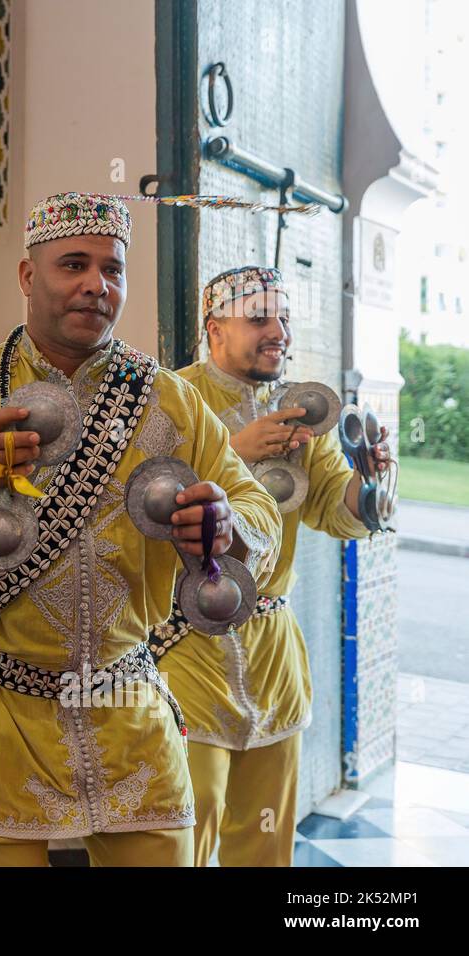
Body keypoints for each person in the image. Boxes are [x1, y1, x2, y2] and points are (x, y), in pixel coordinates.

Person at [0, 192, 282, 866]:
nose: (97, 284)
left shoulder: (170, 401)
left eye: (113, 269)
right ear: (29, 278)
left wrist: (226, 524)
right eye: (73, 264)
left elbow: (251, 504)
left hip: (129, 711)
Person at [151, 265, 392, 866]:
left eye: (283, 318)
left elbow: (337, 512)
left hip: (273, 653)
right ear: (215, 329)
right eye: (259, 318)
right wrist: (233, 451)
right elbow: (138, 499)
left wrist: (368, 482)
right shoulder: (171, 397)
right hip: (186, 644)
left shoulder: (302, 415)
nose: (277, 330)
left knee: (265, 842)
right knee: (186, 825)